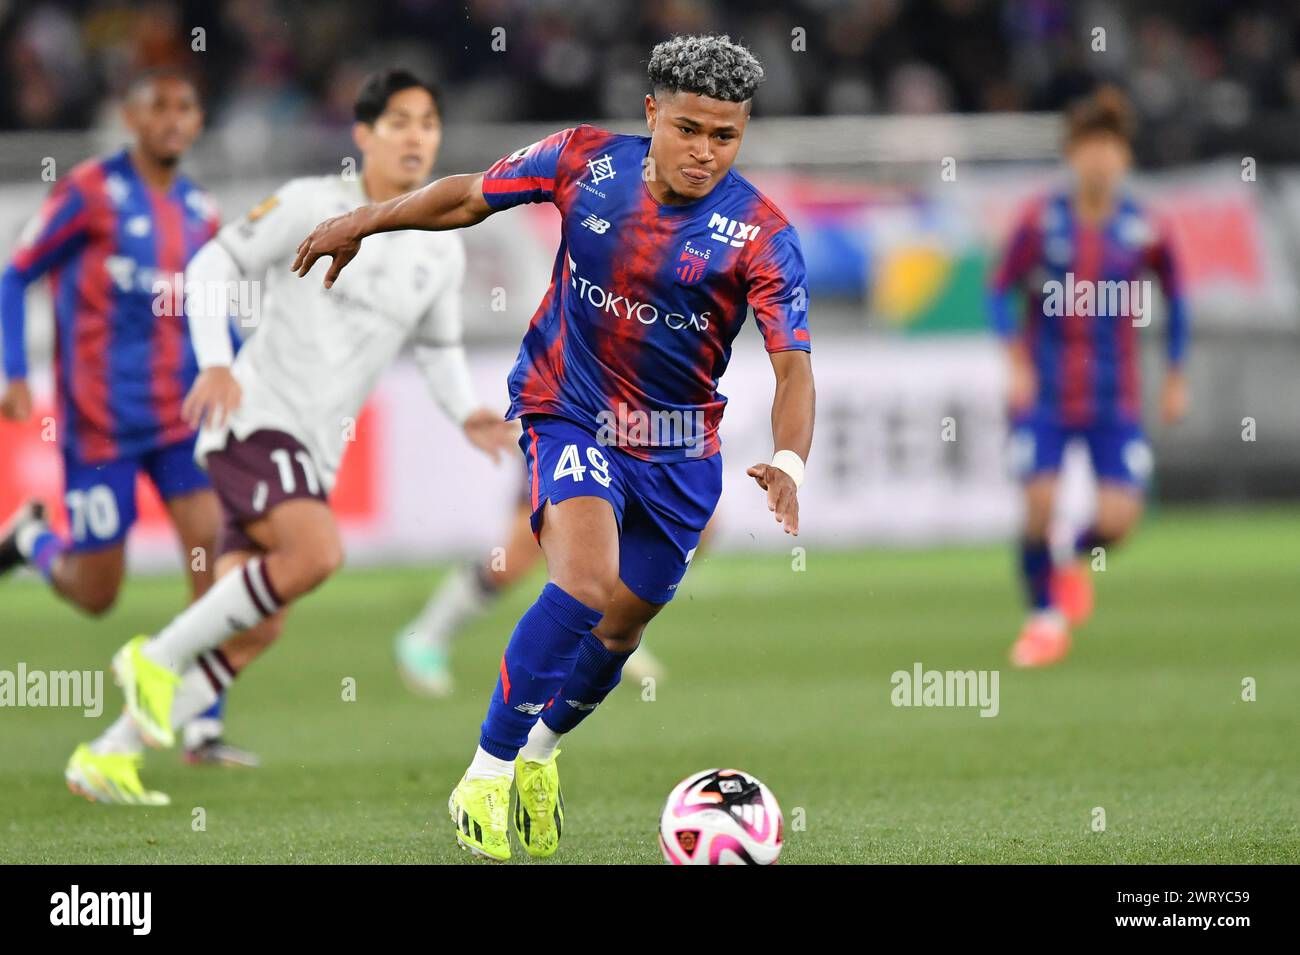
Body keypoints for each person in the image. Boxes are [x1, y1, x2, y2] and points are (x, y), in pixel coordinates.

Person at [293, 34, 816, 860]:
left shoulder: (760, 234)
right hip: (566, 406)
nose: (705, 151)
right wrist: (366, 219)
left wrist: (788, 460)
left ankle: (539, 753)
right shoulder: (584, 160)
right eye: (688, 129)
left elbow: (793, 368)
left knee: (620, 626)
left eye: (726, 136)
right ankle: (485, 769)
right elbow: (469, 196)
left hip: (679, 451)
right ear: (652, 113)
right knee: (582, 582)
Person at [64, 68, 515, 805]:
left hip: (312, 452)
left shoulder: (441, 245)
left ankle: (109, 755)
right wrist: (215, 361)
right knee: (316, 552)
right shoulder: (313, 202)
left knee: (258, 625)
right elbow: (213, 262)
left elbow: (436, 348)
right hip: (257, 422)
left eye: (427, 123)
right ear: (362, 135)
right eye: (397, 121)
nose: (415, 135)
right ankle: (154, 655)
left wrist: (465, 407)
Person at [0, 70, 257, 768]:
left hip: (179, 425)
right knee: (96, 592)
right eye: (159, 107)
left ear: (199, 121)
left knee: (214, 558)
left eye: (186, 108)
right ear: (131, 116)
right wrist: (14, 371)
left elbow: (212, 315)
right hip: (100, 427)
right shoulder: (87, 192)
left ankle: (199, 724)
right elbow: (15, 272)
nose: (173, 120)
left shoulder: (200, 210)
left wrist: (246, 373)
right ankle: (33, 544)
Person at [988, 86, 1189, 668]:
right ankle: (1044, 619)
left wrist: (1176, 373)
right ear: (1072, 154)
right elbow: (1000, 288)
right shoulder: (1040, 219)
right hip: (1045, 394)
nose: (1100, 159)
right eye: (1089, 146)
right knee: (1040, 503)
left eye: (1111, 147)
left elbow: (1179, 295)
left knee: (1119, 522)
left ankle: (1070, 560)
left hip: (1112, 396)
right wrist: (1016, 360)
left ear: (1125, 156)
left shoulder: (1144, 228)